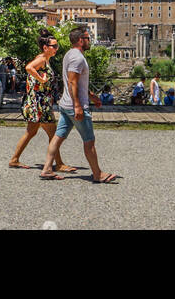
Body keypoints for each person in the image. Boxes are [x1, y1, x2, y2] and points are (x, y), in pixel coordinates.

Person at [39, 27, 116, 184]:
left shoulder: (69, 54)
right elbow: (72, 81)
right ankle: (98, 174)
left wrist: (92, 95)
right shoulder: (78, 58)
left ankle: (47, 169)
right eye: (87, 38)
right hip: (74, 106)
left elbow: (76, 82)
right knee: (89, 141)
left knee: (58, 137)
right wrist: (78, 106)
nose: (89, 41)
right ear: (81, 40)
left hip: (66, 104)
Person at [8, 30, 74, 173]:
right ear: (45, 47)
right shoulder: (42, 59)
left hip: (38, 103)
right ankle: (59, 164)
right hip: (40, 104)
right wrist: (41, 79)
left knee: (31, 132)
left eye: (56, 46)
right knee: (54, 134)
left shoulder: (45, 59)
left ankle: (14, 159)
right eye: (54, 46)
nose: (56, 49)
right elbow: (29, 67)